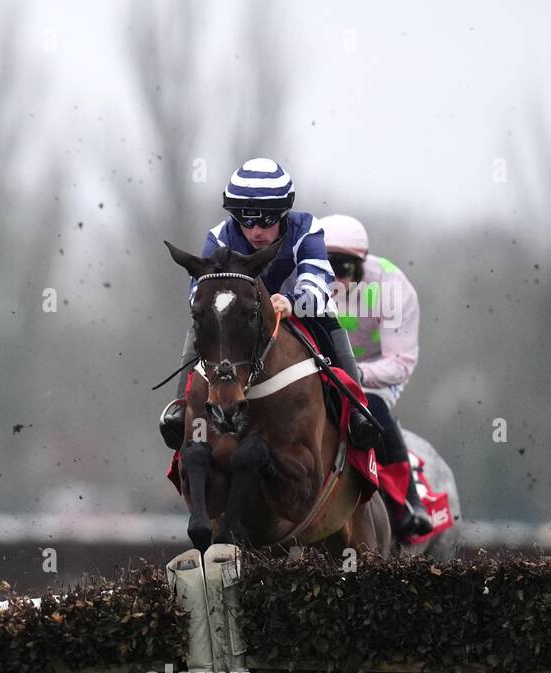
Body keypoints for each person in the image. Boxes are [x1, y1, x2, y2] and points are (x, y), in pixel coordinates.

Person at [159, 158, 377, 452]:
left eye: (266, 221)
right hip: (243, 318)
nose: (256, 232)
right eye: (246, 221)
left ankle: (357, 410)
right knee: (203, 322)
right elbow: (198, 289)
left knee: (329, 317)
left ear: (284, 213)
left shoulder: (306, 228)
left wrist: (292, 302)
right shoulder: (219, 236)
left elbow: (320, 281)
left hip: (300, 312)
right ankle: (181, 407)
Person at [319, 214, 433, 537]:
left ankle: (408, 503)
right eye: (326, 267)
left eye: (344, 268)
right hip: (322, 366)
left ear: (362, 263)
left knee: (373, 410)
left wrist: (352, 374)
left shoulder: (392, 288)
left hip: (378, 372)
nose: (335, 280)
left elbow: (400, 363)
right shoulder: (302, 281)